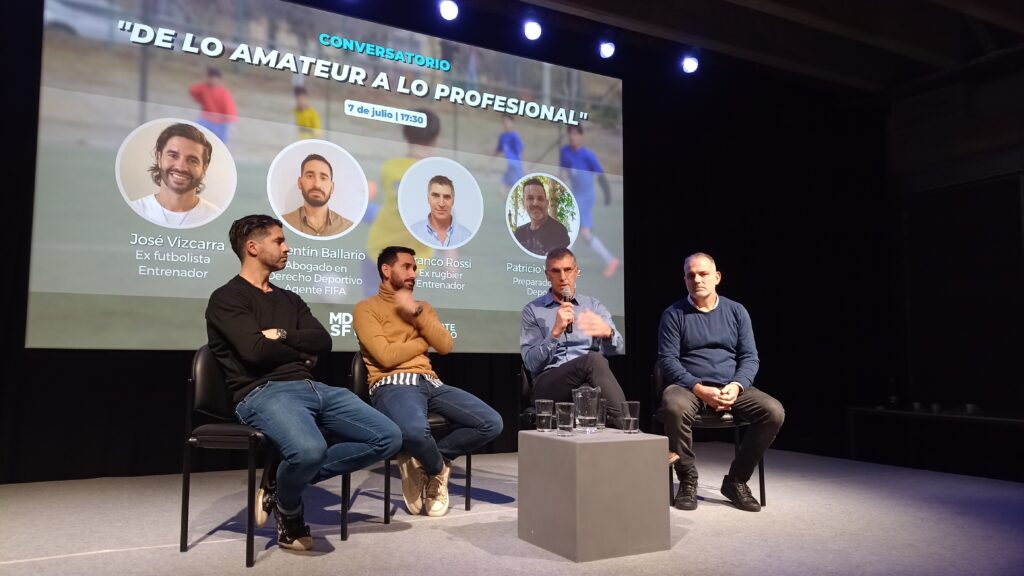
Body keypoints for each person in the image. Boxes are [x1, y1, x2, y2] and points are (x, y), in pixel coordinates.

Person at [206, 215, 402, 551]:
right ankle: (290, 509)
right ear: (252, 247)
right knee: (309, 451)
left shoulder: (290, 299)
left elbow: (323, 341)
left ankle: (282, 480)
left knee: (389, 437)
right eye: (279, 241)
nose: (287, 247)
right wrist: (299, 352)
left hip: (313, 387)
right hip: (261, 392)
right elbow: (254, 352)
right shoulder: (227, 298)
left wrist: (282, 335)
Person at [353, 246, 503, 517]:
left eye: (414, 268)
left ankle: (428, 460)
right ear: (386, 270)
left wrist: (418, 315)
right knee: (413, 431)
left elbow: (445, 345)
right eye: (406, 267)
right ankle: (437, 470)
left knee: (491, 423)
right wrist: (423, 342)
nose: (413, 273)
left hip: (431, 382)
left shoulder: (423, 308)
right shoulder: (366, 308)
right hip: (393, 383)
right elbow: (386, 357)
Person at [657, 252, 785, 512]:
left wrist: (737, 385)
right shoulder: (673, 314)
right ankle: (687, 479)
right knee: (673, 405)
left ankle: (736, 480)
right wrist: (698, 388)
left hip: (730, 386)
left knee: (773, 411)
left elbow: (750, 357)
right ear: (685, 280)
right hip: (689, 387)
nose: (697, 280)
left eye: (703, 274)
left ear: (717, 277)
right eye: (691, 275)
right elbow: (667, 360)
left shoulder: (736, 311)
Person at [520, 247, 626, 426]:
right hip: (549, 384)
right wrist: (555, 332)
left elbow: (618, 349)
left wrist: (609, 333)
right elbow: (531, 363)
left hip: (587, 382)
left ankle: (603, 438)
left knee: (587, 391)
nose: (563, 277)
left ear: (576, 272)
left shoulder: (594, 307)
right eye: (556, 271)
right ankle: (626, 424)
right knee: (593, 360)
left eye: (567, 270)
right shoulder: (533, 310)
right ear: (547, 275)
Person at [363, 109, 438, 294]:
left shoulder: (389, 168)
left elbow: (391, 206)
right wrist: (452, 256)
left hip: (376, 250)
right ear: (435, 140)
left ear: (406, 134)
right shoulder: (436, 175)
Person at [130, 122, 221, 228]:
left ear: (204, 169)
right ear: (158, 158)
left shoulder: (216, 217)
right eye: (173, 156)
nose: (181, 167)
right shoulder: (134, 210)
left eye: (192, 160)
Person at [559, 124, 620, 277]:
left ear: (581, 136)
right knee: (580, 233)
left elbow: (600, 175)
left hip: (586, 198)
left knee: (574, 231)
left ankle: (568, 266)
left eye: (575, 134)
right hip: (574, 196)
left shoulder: (587, 155)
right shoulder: (564, 151)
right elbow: (563, 172)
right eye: (570, 133)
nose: (572, 136)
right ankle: (610, 261)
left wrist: (607, 195)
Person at [281, 153, 354, 237]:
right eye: (310, 176)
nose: (317, 184)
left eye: (323, 178)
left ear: (332, 187)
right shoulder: (284, 223)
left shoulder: (347, 228)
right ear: (300, 183)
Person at [410, 175, 473, 248]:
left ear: (453, 201)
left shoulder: (466, 236)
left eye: (446, 197)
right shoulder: (414, 232)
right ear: (428, 199)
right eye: (436, 196)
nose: (441, 203)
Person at [513, 178, 570, 256]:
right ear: (523, 203)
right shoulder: (519, 233)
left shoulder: (559, 231)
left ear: (546, 203)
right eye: (530, 198)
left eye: (540, 199)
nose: (535, 203)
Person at [189, 67, 237, 144]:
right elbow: (192, 91)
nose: (213, 80)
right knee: (194, 135)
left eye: (215, 78)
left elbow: (229, 108)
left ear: (219, 79)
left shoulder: (224, 92)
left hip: (220, 122)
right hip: (205, 119)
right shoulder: (203, 87)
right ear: (208, 78)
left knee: (220, 143)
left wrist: (231, 122)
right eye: (211, 78)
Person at [493, 113, 523, 196]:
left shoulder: (515, 136)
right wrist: (491, 161)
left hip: (515, 168)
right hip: (508, 168)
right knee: (501, 192)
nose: (505, 124)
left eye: (507, 121)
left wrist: (522, 166)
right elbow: (498, 150)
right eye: (504, 121)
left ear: (512, 122)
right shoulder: (502, 136)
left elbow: (520, 152)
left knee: (516, 193)